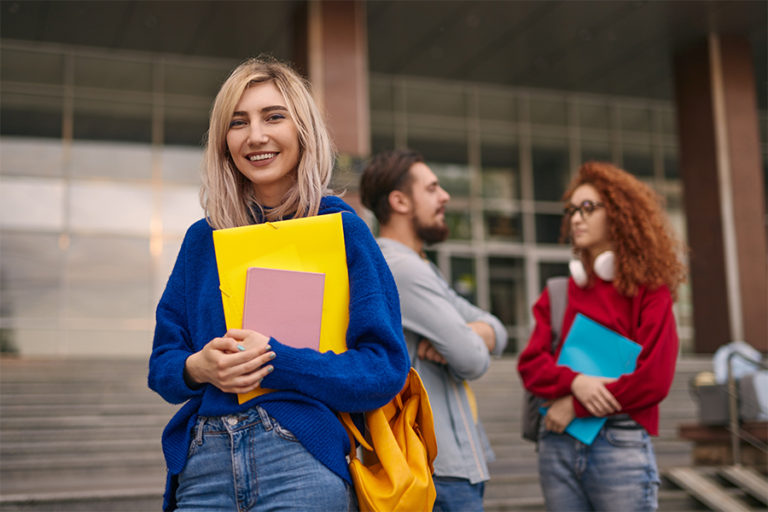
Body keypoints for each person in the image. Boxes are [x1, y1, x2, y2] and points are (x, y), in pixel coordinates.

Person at [148, 57, 410, 512]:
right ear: (224, 142)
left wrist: (276, 360)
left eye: (274, 116)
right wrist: (199, 367)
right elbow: (163, 364)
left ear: (302, 129)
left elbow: (382, 369)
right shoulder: (202, 239)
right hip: (204, 464)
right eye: (238, 122)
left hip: (299, 457)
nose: (256, 136)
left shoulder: (343, 230)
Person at [517, 161, 687, 511]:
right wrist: (576, 381)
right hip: (557, 445)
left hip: (618, 441)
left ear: (621, 215)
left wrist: (574, 405)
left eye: (589, 208)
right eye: (572, 210)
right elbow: (531, 365)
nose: (576, 218)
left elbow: (653, 379)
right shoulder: (560, 292)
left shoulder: (650, 291)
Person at [359, 149, 508, 512]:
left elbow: (498, 331)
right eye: (432, 188)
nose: (445, 197)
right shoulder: (402, 271)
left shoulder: (421, 267)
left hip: (450, 467)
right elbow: (473, 359)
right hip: (435, 473)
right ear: (399, 201)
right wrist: (472, 337)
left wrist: (468, 331)